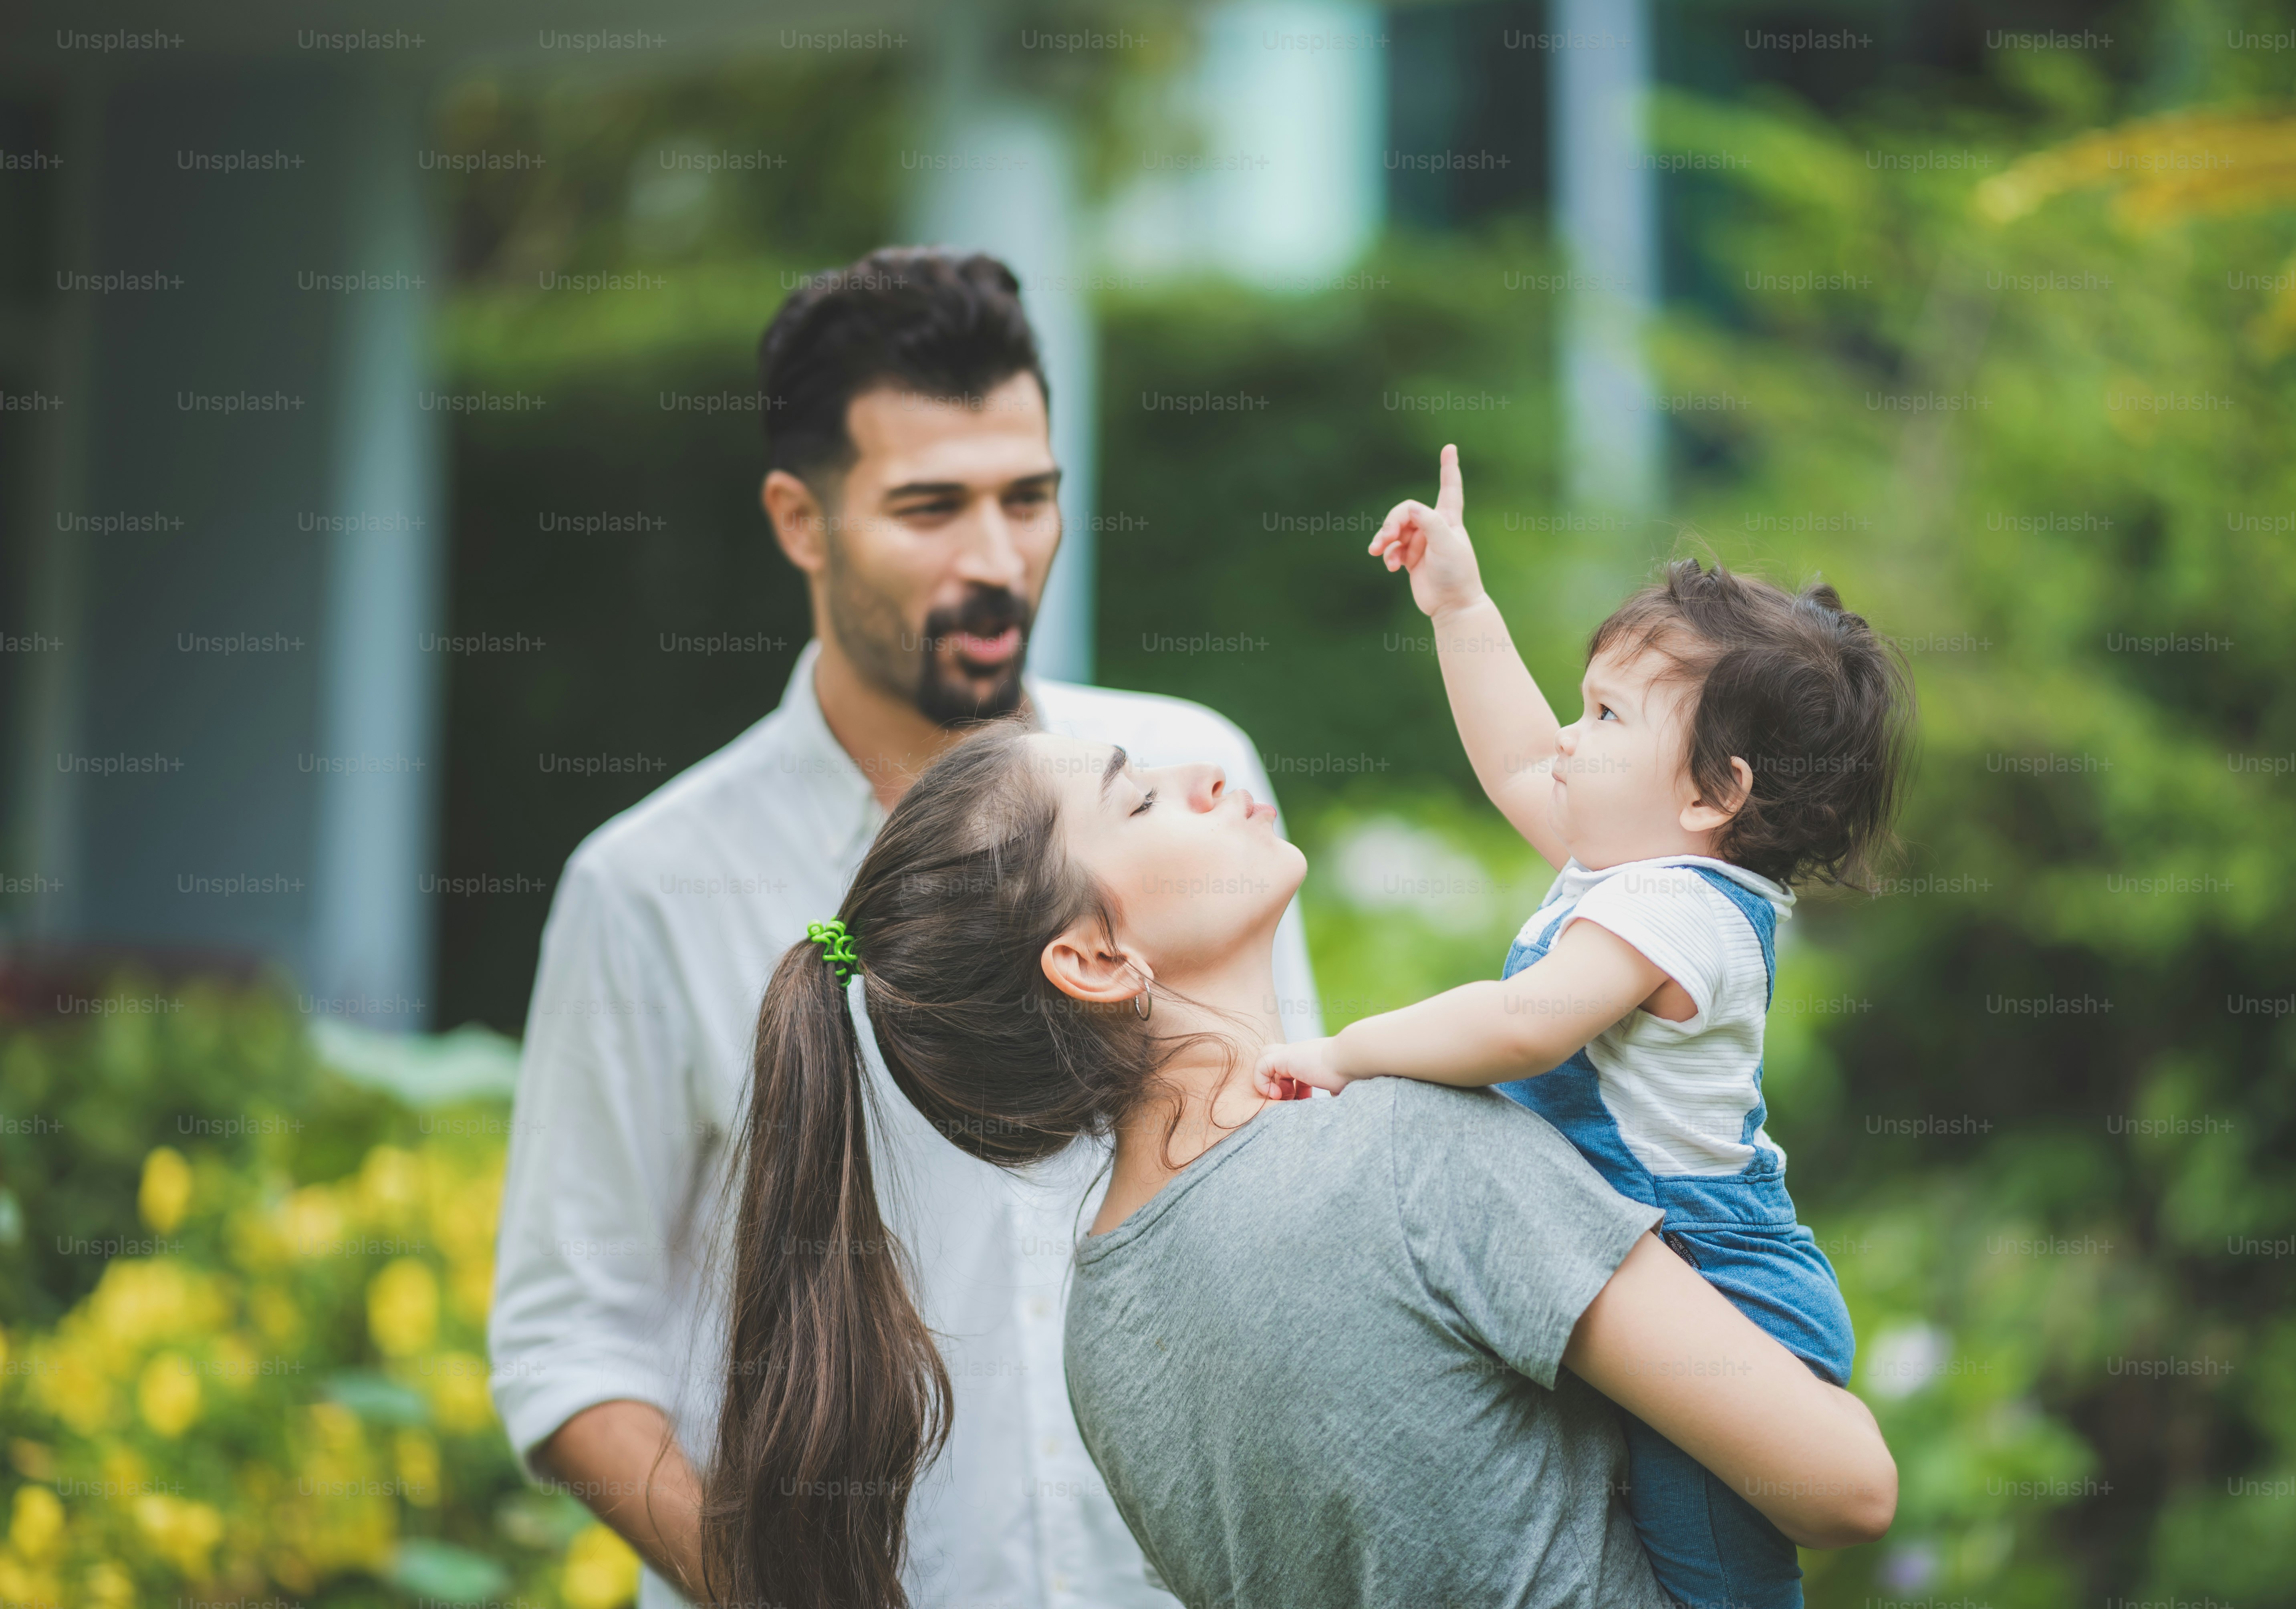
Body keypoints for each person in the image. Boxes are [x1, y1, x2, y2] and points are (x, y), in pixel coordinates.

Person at [485, 248, 1320, 1609]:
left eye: (1030, 499)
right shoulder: (645, 886)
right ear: (800, 521)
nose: (995, 561)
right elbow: (568, 1352)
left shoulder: (1198, 777)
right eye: (930, 508)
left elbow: (1300, 1164)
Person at [705, 720, 1898, 1609]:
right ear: (1096, 959)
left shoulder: (1100, 1335)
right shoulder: (1409, 1152)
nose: (1209, 775)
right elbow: (1847, 1486)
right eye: (1140, 802)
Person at [1254, 446, 1913, 1609]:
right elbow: (1517, 755)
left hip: (1721, 1288)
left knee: (1709, 1570)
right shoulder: (1637, 868)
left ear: (1715, 795)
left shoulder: (1679, 909)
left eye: (1605, 715)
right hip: (1648, 1256)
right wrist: (1461, 603)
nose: (1569, 735)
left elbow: (1524, 1027)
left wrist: (1345, 1051)